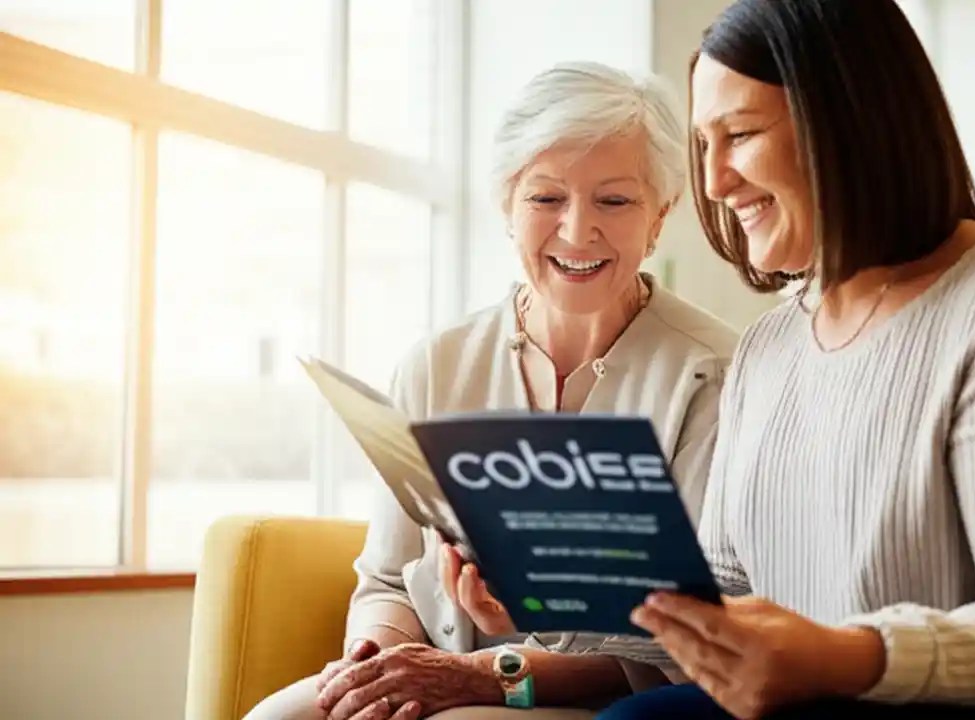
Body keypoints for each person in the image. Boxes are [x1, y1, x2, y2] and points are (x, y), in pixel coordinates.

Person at [601, 1, 975, 718]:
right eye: (704, 144)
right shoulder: (768, 347)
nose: (714, 182)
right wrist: (563, 603)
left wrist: (837, 656)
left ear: (848, 122)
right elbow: (730, 597)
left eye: (740, 135)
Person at [243, 61, 738, 720]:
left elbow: (693, 635)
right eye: (545, 199)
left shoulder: (714, 374)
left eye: (615, 201)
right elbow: (387, 579)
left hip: (599, 697)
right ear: (507, 208)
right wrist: (376, 666)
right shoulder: (436, 364)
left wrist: (482, 674)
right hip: (437, 672)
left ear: (659, 217)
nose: (576, 231)